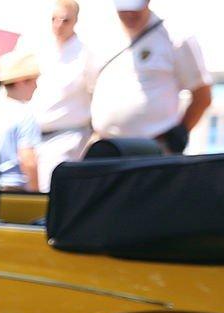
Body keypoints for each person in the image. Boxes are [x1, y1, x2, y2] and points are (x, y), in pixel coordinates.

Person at [89, 0, 213, 154]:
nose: (129, 14)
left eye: (134, 9)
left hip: (154, 148)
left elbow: (202, 96)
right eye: (123, 9)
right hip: (106, 147)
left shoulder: (176, 37)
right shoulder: (101, 35)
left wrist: (178, 135)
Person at [29, 1, 94, 189]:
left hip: (68, 137)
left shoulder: (85, 55)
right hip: (35, 137)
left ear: (75, 21)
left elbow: (95, 95)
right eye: (54, 19)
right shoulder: (42, 49)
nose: (58, 25)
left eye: (65, 20)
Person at [0, 50, 44, 191]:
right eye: (33, 81)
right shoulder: (24, 115)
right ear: (20, 82)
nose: (36, 86)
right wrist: (37, 194)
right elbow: (28, 160)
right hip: (15, 191)